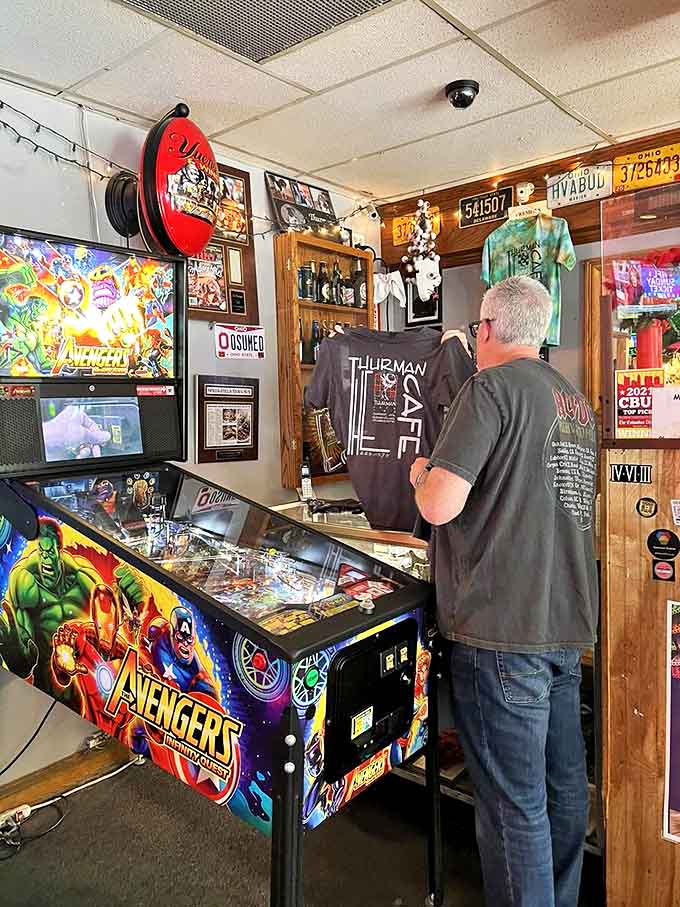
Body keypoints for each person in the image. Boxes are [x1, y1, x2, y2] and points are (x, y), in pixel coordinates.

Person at [410, 275, 598, 907]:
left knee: (513, 809)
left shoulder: (486, 388)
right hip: (563, 626)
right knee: (562, 791)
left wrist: (419, 474)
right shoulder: (574, 402)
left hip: (500, 631)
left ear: (486, 330)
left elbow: (439, 505)